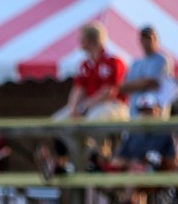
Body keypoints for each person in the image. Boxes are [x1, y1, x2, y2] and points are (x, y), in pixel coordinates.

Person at [36, 23, 129, 176]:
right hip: (91, 105)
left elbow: (110, 91)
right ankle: (66, 162)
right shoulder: (86, 63)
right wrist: (73, 108)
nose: (80, 42)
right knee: (56, 123)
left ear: (91, 40)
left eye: (83, 38)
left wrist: (84, 107)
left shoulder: (113, 59)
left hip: (113, 105)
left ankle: (95, 159)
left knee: (91, 123)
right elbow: (78, 89)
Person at [119, 26, 178, 119]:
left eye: (149, 38)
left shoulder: (162, 59)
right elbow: (123, 87)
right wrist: (142, 83)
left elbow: (151, 82)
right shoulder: (136, 62)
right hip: (136, 113)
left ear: (156, 40)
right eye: (144, 39)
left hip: (156, 112)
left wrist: (136, 84)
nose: (146, 42)